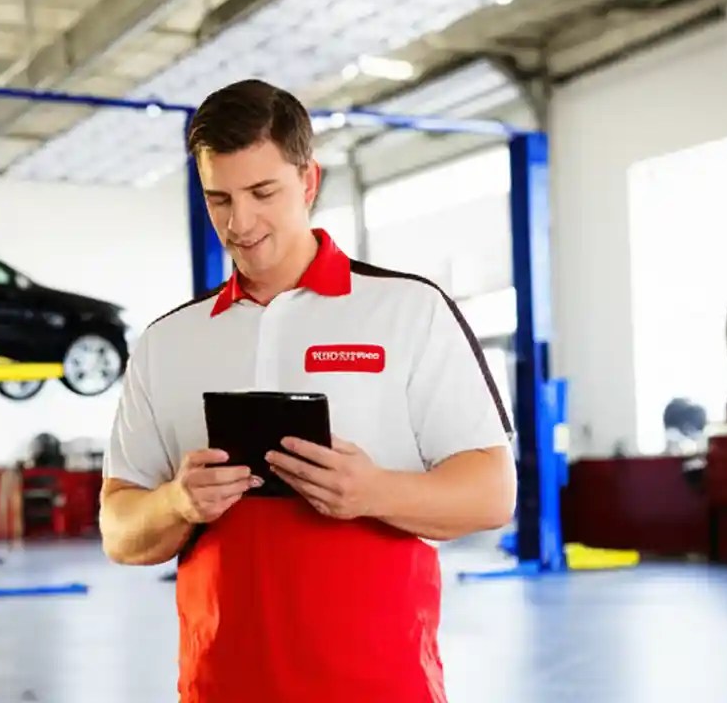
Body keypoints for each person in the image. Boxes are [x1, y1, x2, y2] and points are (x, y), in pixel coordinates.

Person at [99, 78, 516, 703]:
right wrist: (176, 504)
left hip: (380, 687)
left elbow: (492, 494)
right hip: (219, 688)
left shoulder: (409, 310)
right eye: (219, 199)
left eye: (263, 193)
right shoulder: (168, 343)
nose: (240, 223)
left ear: (309, 182)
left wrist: (375, 491)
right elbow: (119, 529)